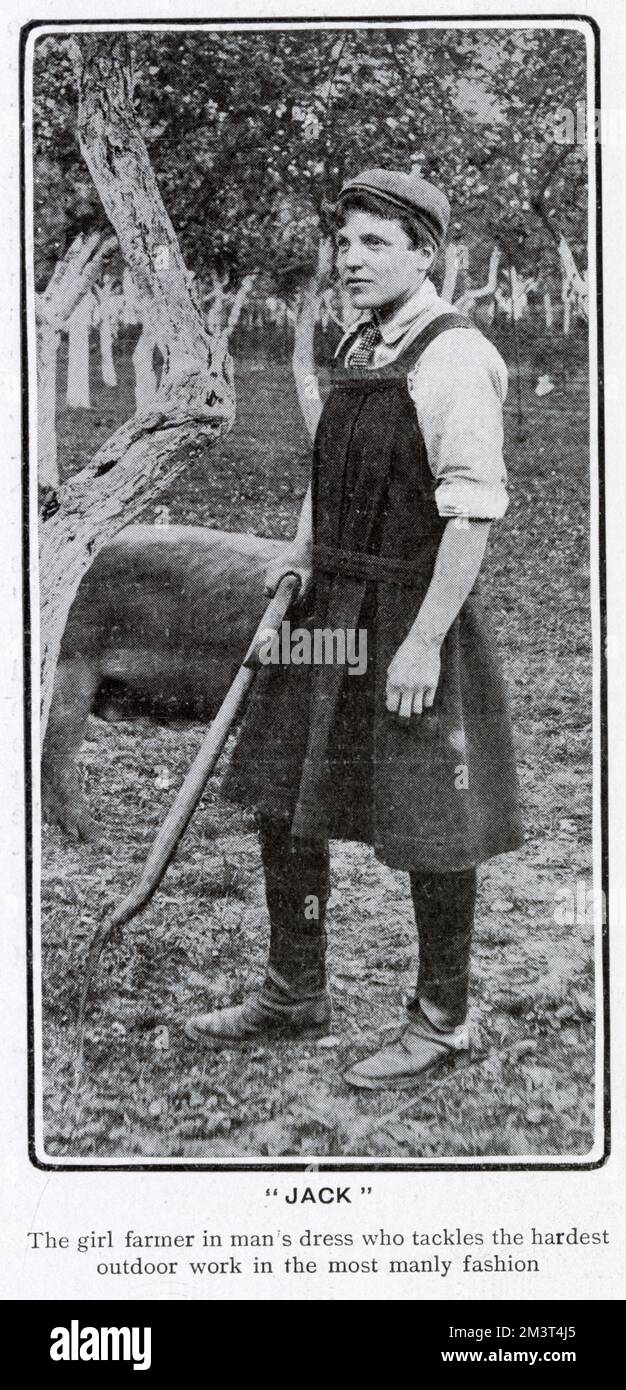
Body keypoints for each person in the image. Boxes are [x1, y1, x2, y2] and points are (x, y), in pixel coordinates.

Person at [185, 167, 524, 1090]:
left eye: (376, 242)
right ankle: (294, 991)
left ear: (426, 254)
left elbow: (471, 514)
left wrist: (422, 642)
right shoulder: (359, 341)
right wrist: (302, 550)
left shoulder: (454, 357)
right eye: (344, 242)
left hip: (412, 619)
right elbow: (326, 467)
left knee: (431, 815)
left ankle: (443, 1020)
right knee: (282, 788)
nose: (352, 259)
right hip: (329, 616)